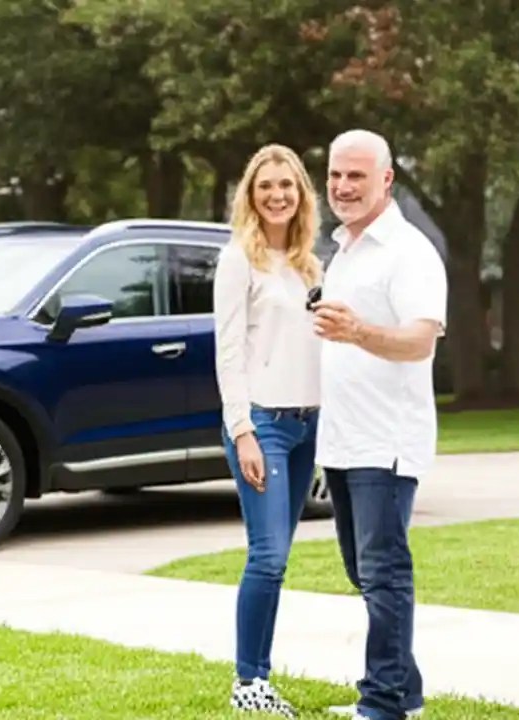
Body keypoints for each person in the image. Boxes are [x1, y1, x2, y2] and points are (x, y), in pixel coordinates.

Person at [310, 129, 447, 720]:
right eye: (336, 174)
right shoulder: (344, 250)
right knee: (362, 570)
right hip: (342, 440)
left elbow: (420, 339)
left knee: (383, 571)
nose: (342, 186)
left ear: (386, 180)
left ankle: (384, 703)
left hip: (386, 444)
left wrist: (359, 332)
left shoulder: (408, 252)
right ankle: (405, 693)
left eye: (357, 176)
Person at [213, 143, 324, 718]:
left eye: (287, 185)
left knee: (280, 555)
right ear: (251, 197)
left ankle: (257, 677)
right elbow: (228, 354)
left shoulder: (310, 265)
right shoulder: (239, 261)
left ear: (301, 193)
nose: (277, 195)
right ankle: (248, 681)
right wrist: (243, 432)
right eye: (266, 186)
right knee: (268, 555)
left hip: (310, 423)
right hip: (264, 426)